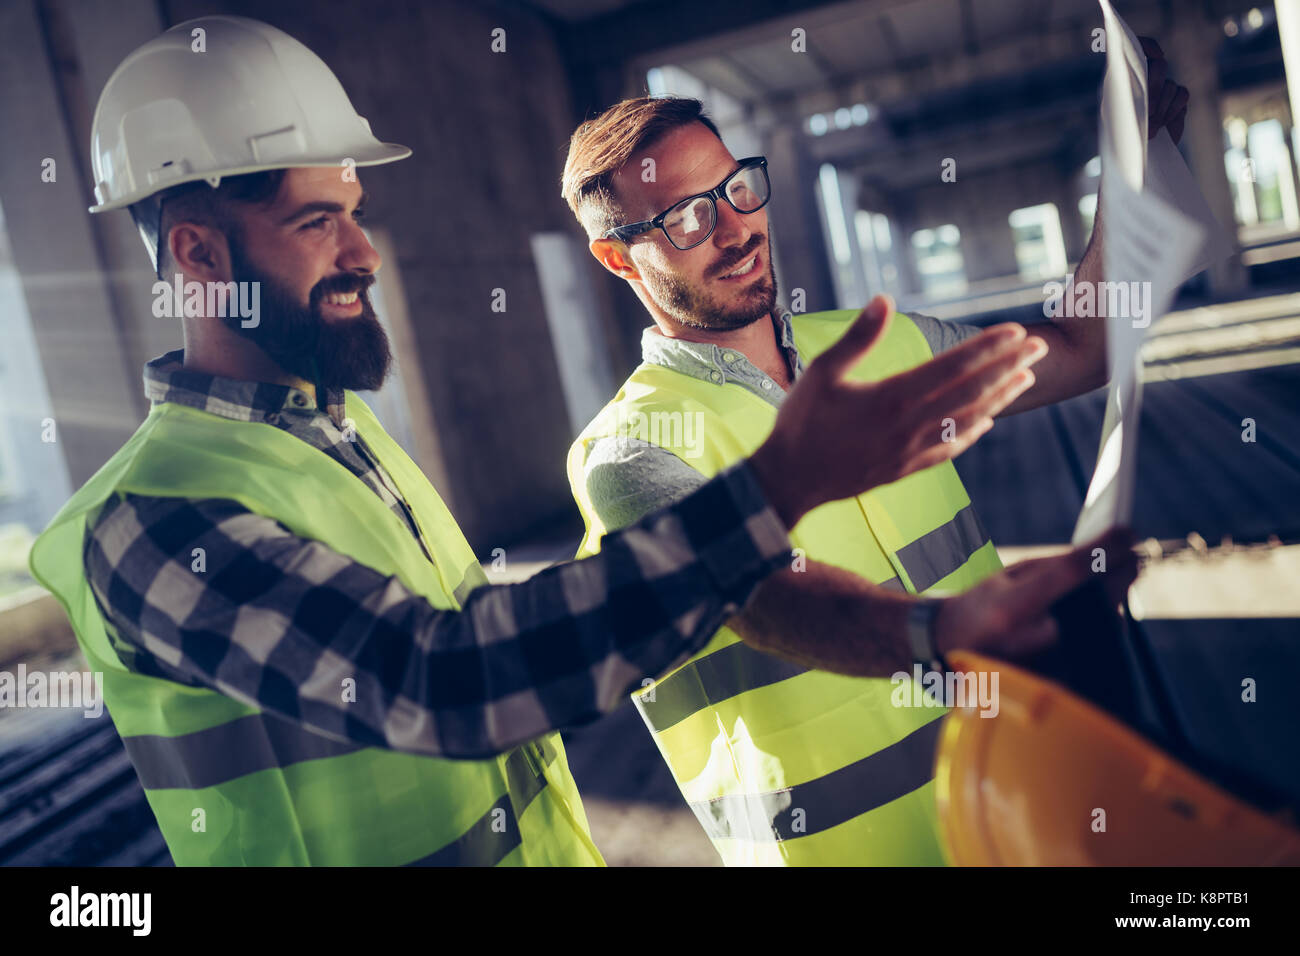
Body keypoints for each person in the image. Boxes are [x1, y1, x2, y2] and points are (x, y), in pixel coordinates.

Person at [28, 15, 1053, 866]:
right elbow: (445, 677)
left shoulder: (347, 447)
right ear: (201, 257)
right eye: (314, 225)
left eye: (354, 210)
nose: (363, 250)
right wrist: (780, 484)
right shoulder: (151, 521)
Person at [558, 62, 1182, 863]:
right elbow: (763, 595)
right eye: (685, 217)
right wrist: (942, 630)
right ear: (618, 259)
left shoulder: (881, 343)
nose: (735, 228)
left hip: (1021, 813)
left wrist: (1131, 180)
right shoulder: (630, 453)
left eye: (738, 189)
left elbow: (1083, 349)